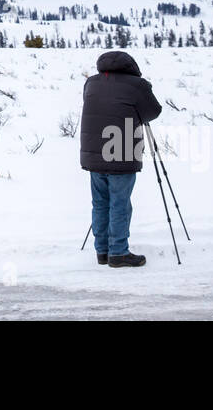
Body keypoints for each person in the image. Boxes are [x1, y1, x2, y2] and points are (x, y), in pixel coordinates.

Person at [79, 51, 162, 268]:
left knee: (100, 203)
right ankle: (118, 252)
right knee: (120, 203)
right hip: (122, 150)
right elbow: (153, 112)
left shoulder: (91, 83)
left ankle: (103, 251)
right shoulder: (136, 84)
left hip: (93, 152)